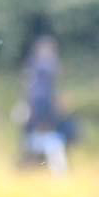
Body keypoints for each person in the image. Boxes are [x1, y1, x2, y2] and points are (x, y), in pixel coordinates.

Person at [20, 36, 73, 173]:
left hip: (38, 125)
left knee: (33, 148)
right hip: (44, 125)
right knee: (51, 147)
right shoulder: (43, 76)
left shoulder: (34, 75)